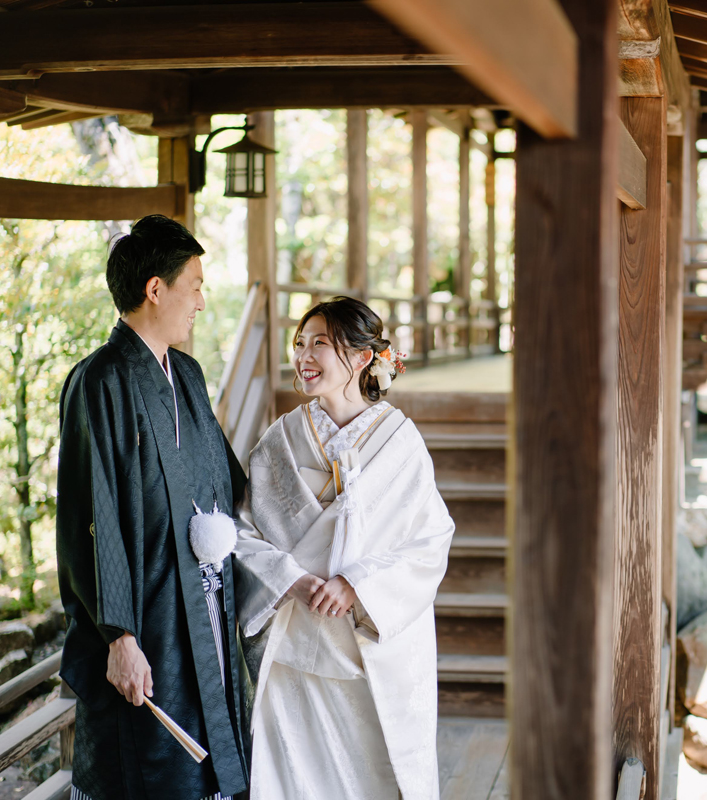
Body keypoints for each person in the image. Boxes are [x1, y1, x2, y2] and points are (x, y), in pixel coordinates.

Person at [56, 215, 249, 800]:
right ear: (155, 289)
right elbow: (92, 518)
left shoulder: (186, 373)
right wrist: (119, 636)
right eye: (195, 286)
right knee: (146, 762)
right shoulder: (99, 381)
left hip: (204, 600)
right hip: (147, 615)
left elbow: (226, 478)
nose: (202, 302)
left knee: (211, 753)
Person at [234, 296, 453, 800]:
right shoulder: (281, 438)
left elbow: (430, 540)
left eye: (320, 344)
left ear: (361, 358)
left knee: (373, 778)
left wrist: (357, 583)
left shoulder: (400, 441)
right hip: (294, 644)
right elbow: (244, 532)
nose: (304, 356)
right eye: (300, 344)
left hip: (366, 646)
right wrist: (291, 579)